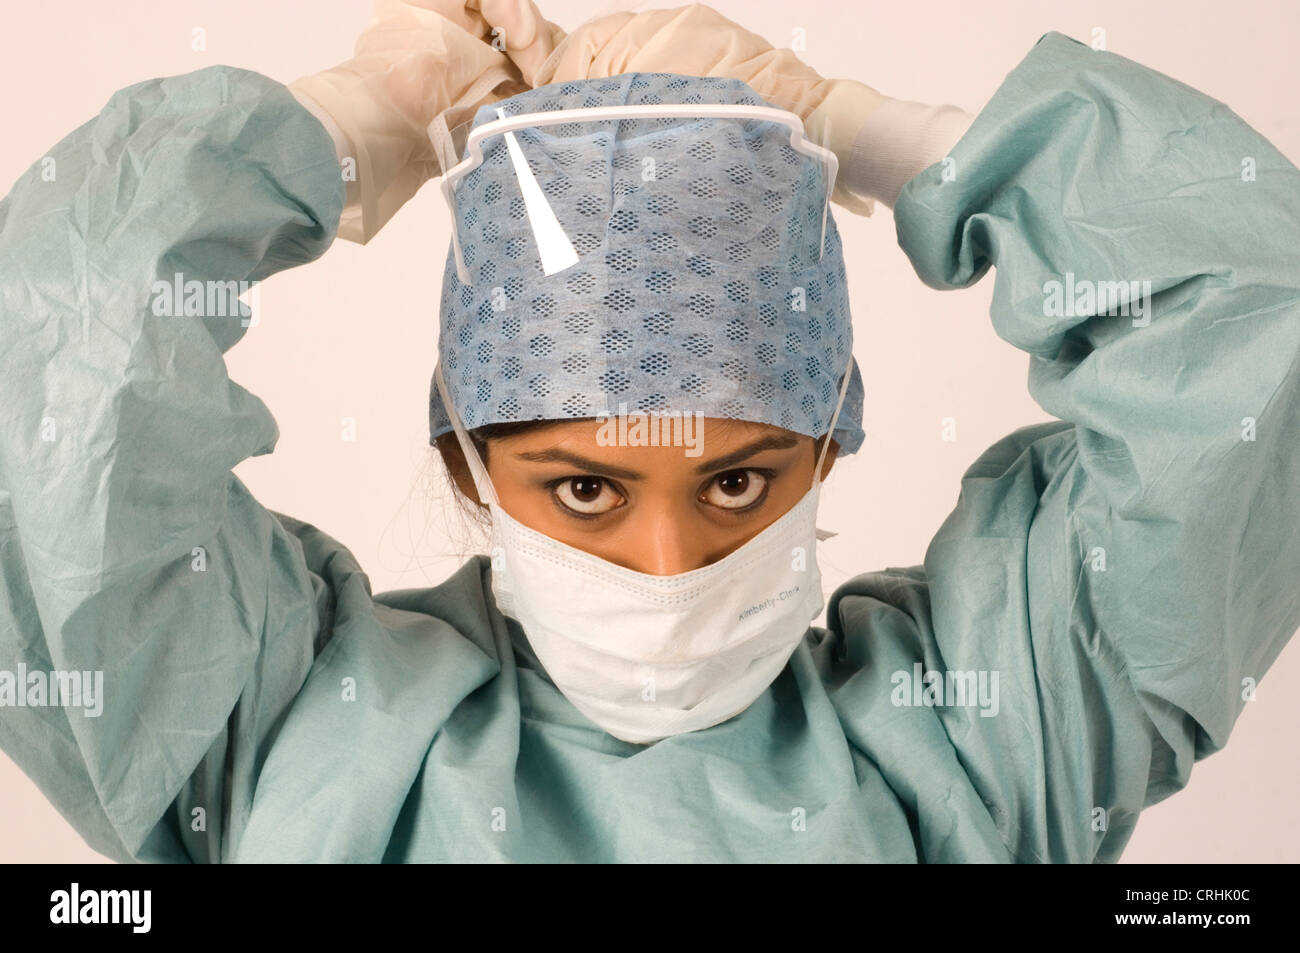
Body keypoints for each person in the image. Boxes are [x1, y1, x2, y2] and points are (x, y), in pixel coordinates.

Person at [1, 1, 1297, 863]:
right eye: (582, 490)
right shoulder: (280, 733)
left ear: (829, 437)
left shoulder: (988, 732)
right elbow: (47, 374)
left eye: (738, 479)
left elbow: (1257, 312)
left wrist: (870, 133)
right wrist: (349, 127)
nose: (670, 564)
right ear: (470, 457)